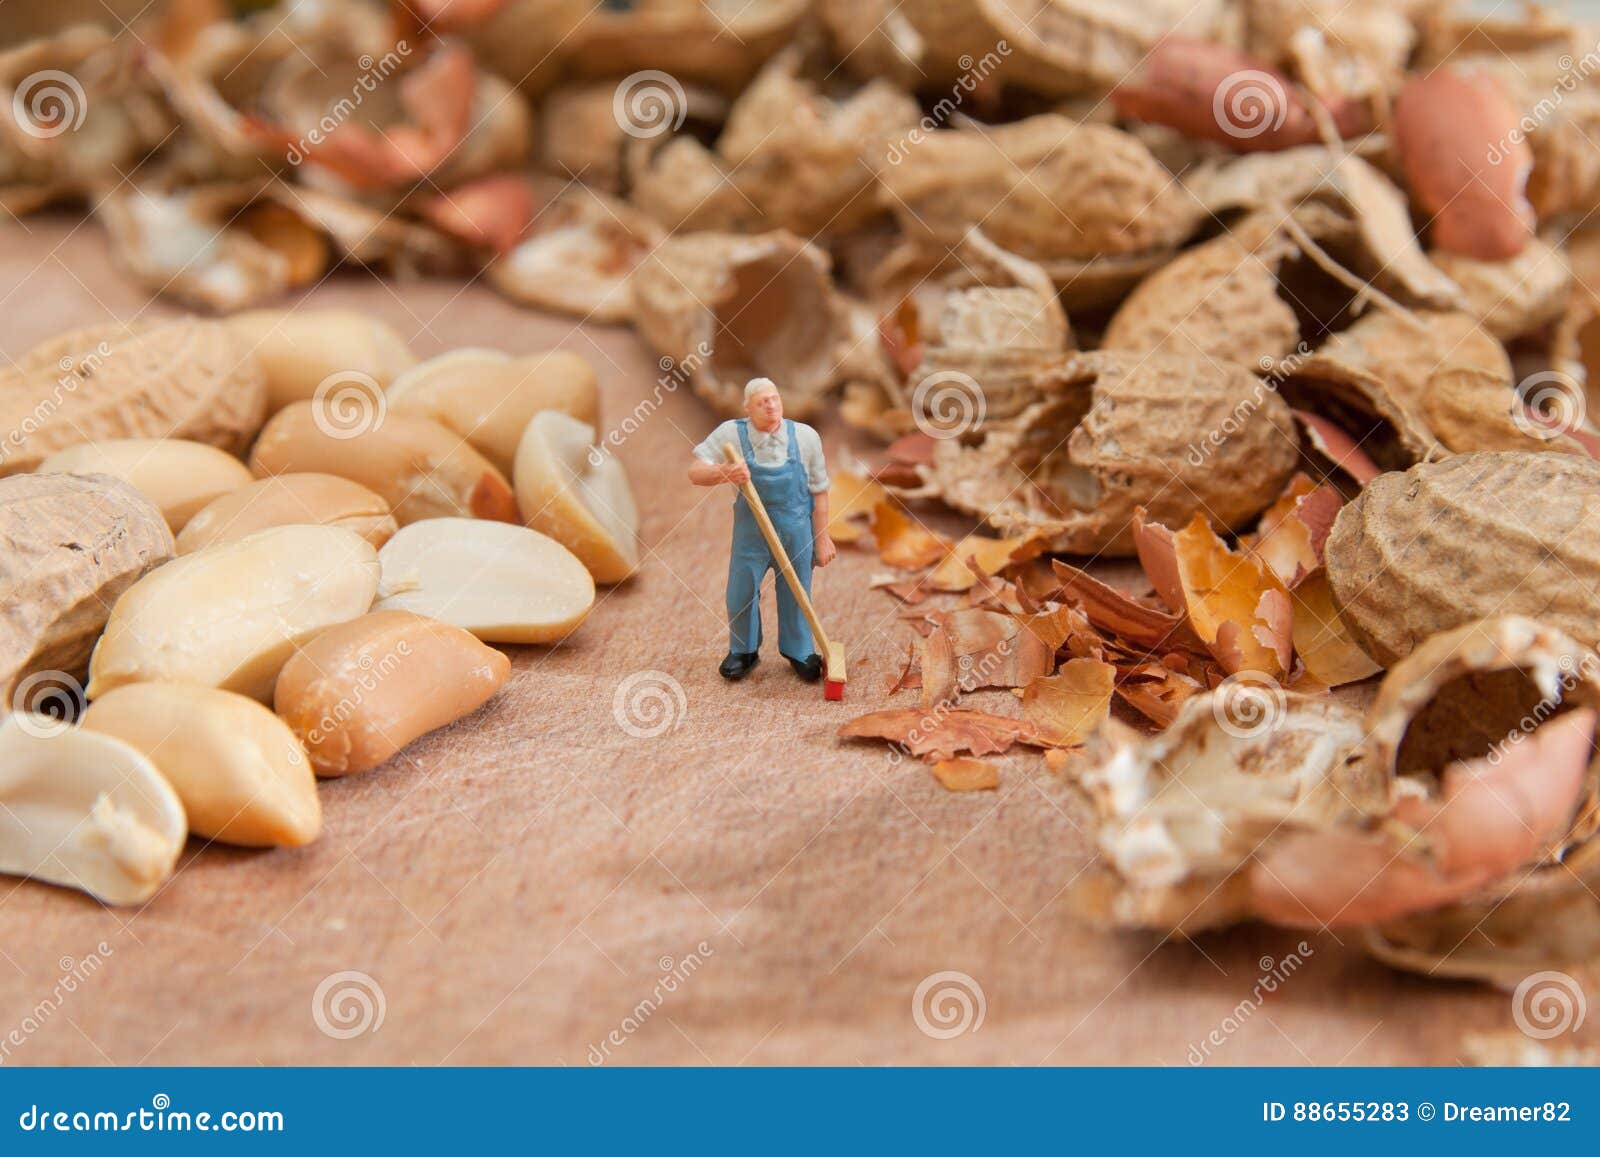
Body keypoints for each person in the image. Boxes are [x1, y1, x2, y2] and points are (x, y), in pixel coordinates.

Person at [688, 377, 836, 681]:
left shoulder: (806, 437)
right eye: (761, 402)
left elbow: (820, 491)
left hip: (797, 532)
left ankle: (800, 650)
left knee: (797, 593)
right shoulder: (731, 434)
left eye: (774, 399)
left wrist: (822, 539)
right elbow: (695, 472)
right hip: (750, 534)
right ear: (748, 408)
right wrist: (725, 472)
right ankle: (743, 650)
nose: (770, 406)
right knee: (740, 593)